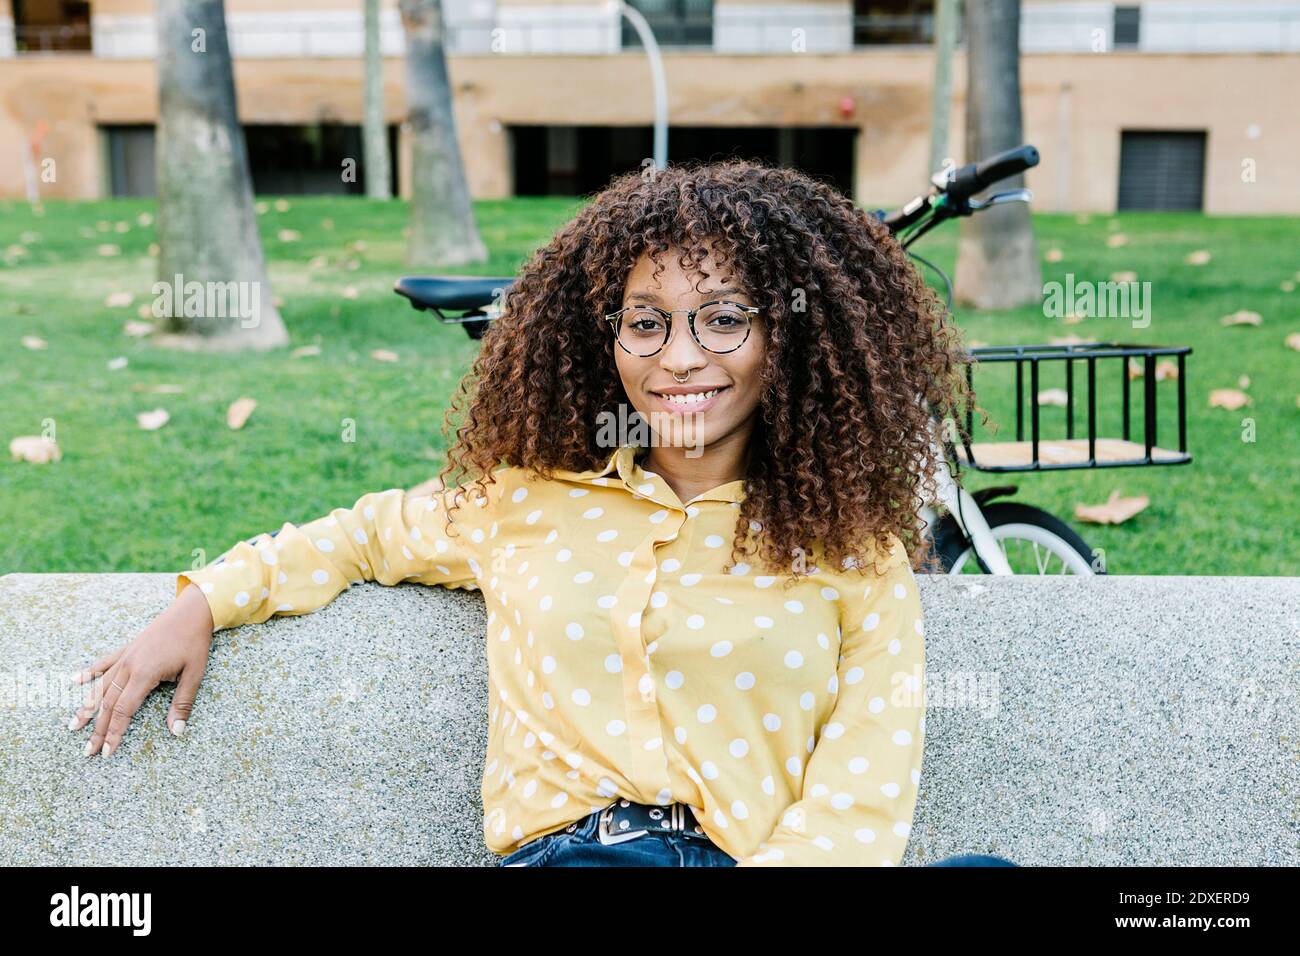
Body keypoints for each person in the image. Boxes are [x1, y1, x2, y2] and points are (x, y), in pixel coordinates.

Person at [69, 158, 1013, 867]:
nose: (682, 357)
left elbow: (862, 793)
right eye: (646, 322)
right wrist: (198, 604)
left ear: (786, 339)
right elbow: (357, 537)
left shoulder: (851, 547)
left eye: (725, 318)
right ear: (605, 343)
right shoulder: (524, 501)